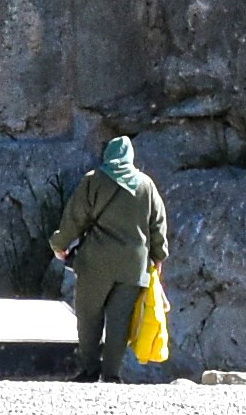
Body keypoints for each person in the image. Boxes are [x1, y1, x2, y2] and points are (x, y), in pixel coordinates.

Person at [48, 127, 171, 382]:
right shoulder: (146, 185)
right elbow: (157, 224)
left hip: (96, 262)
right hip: (132, 266)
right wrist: (159, 257)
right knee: (120, 321)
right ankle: (112, 375)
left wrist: (59, 244)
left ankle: (90, 371)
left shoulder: (93, 180)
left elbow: (75, 218)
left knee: (89, 317)